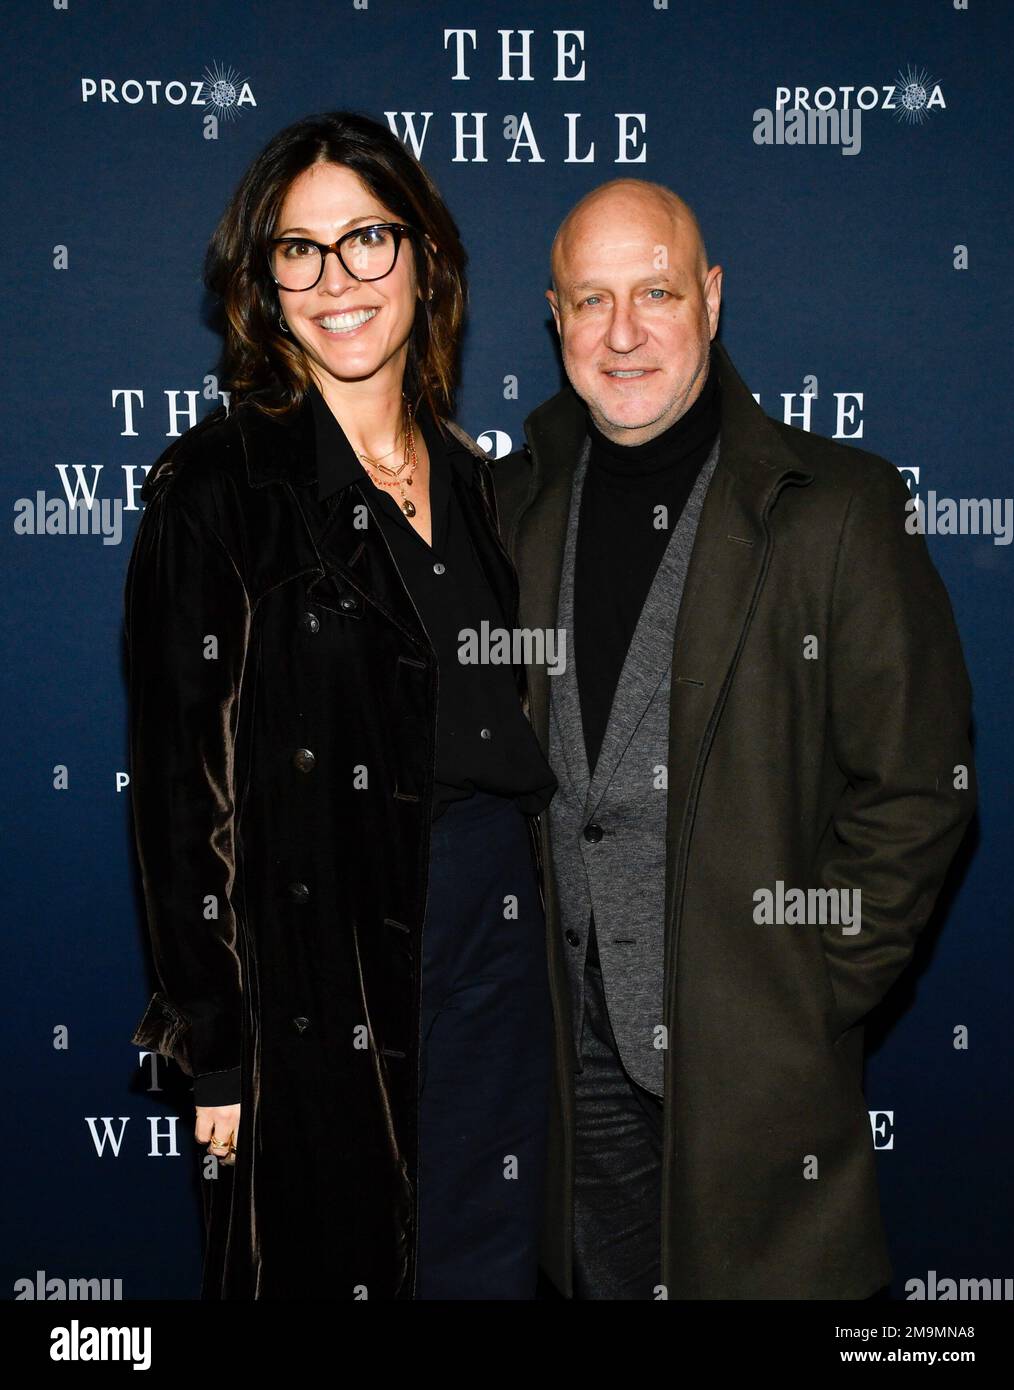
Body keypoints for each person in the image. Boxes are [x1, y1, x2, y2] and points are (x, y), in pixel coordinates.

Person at [492, 177, 977, 1299]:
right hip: (571, 1072)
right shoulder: (512, 506)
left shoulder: (836, 507)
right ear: (553, 316)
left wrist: (806, 984)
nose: (621, 334)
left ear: (709, 298)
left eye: (653, 292)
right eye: (589, 300)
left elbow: (919, 785)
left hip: (753, 1073)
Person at [124, 110, 556, 1300]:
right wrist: (214, 1045)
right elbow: (181, 795)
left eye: (367, 239)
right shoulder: (220, 486)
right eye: (297, 250)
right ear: (261, 283)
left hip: (497, 958)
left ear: (426, 258)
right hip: (323, 982)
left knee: (483, 1266)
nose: (336, 280)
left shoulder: (481, 488)